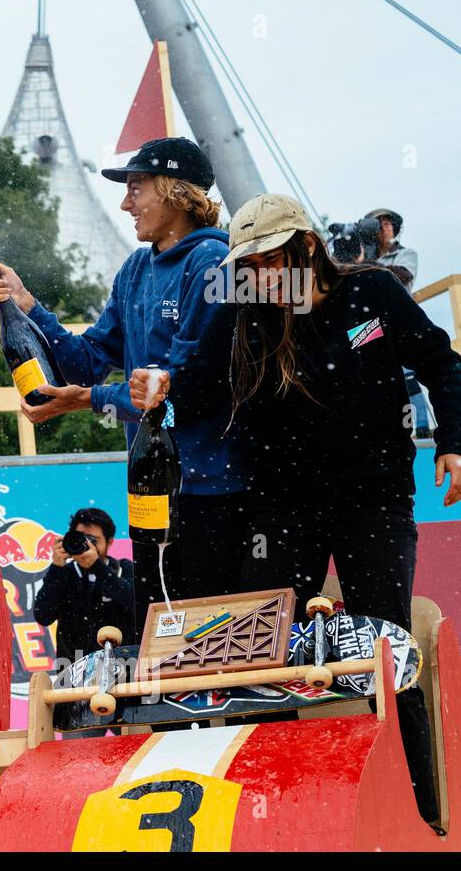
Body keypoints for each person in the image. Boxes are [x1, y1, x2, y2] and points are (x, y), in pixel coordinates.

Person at [130, 193, 461, 824]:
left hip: (375, 500)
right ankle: (275, 810)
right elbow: (195, 388)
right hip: (282, 504)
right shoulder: (245, 312)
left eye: (267, 263)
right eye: (246, 267)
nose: (257, 279)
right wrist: (162, 389)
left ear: (306, 248)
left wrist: (454, 443)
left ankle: (423, 814)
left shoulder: (373, 296)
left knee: (385, 647)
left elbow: (443, 366)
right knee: (263, 653)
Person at [0, 137, 245, 643]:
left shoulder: (213, 262)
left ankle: (235, 723)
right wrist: (28, 306)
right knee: (160, 635)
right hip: (150, 487)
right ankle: (177, 724)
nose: (125, 204)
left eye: (136, 188)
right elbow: (85, 361)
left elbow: (181, 394)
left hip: (212, 488)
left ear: (174, 193)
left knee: (219, 640)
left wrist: (87, 399)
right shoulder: (136, 269)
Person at [34, 508, 133, 666]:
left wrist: (97, 567)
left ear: (109, 542)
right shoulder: (64, 574)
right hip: (71, 671)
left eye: (93, 540)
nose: (87, 545)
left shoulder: (123, 569)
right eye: (82, 538)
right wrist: (56, 568)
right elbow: (43, 616)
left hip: (122, 667)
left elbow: (132, 603)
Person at [365, 207, 419, 290]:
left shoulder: (407, 253)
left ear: (393, 229)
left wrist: (367, 265)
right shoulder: (367, 257)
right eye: (378, 226)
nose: (383, 229)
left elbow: (402, 276)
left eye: (386, 224)